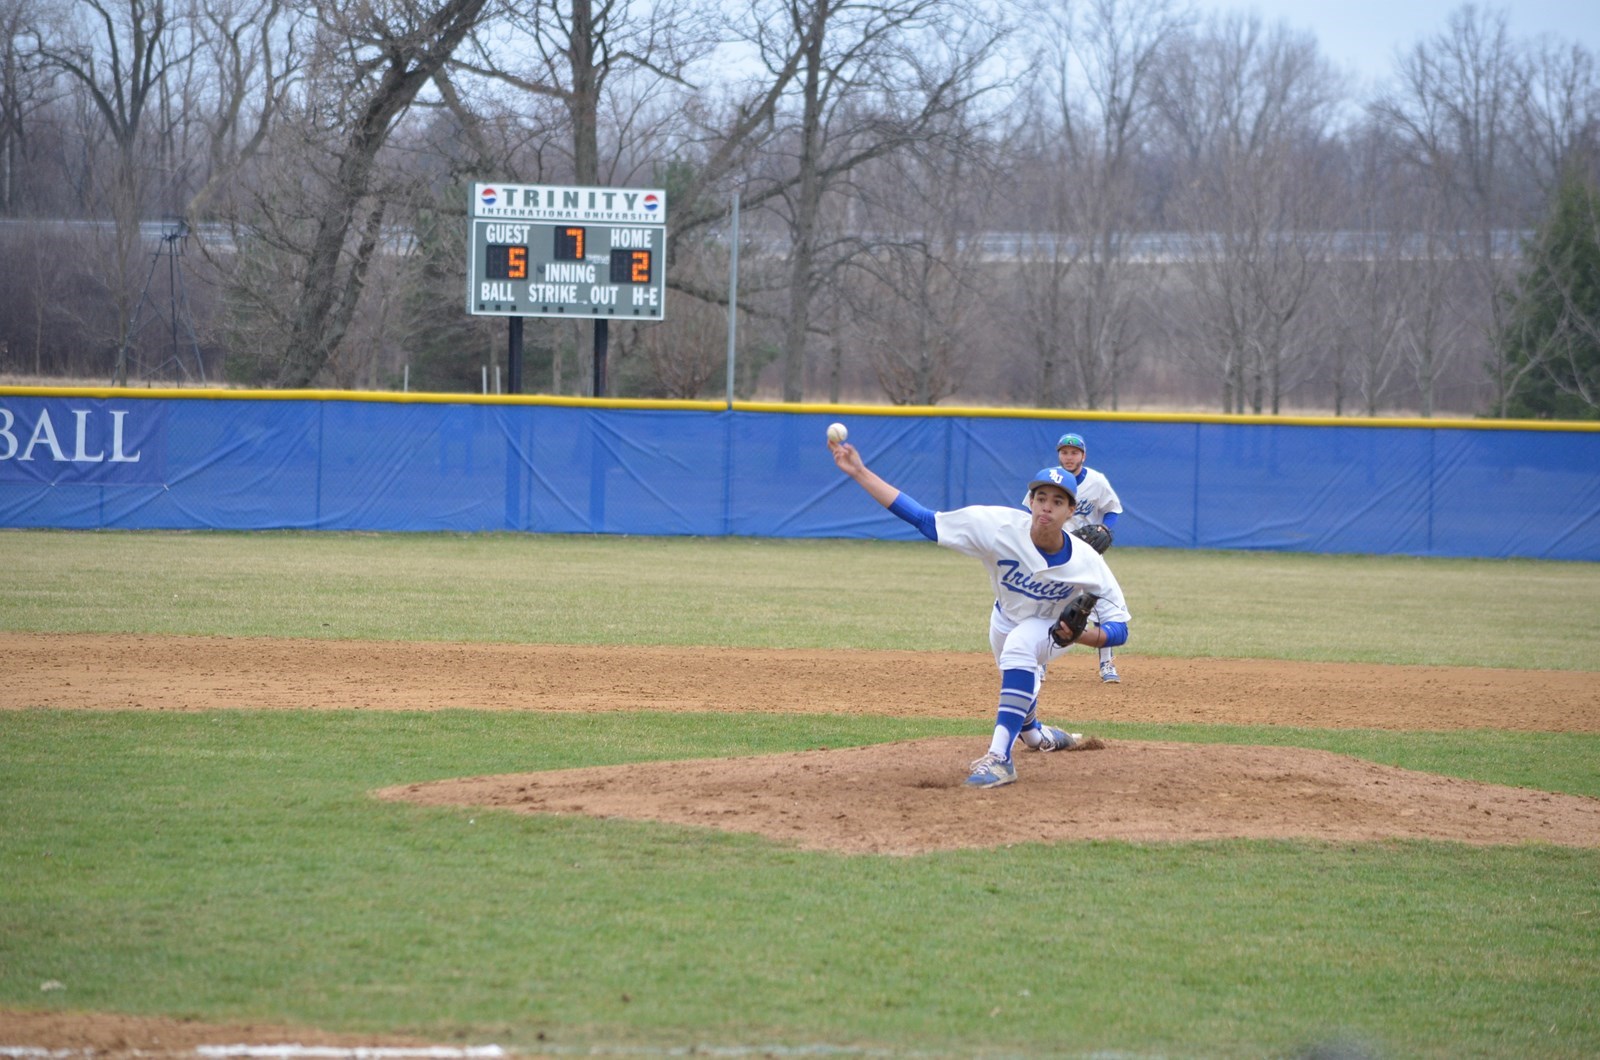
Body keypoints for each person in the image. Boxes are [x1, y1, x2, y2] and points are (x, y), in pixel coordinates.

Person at [829, 435, 1131, 789]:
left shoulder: (1087, 564)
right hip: (1003, 618)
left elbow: (1120, 628)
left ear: (1070, 512)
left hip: (1051, 630)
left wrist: (1082, 635)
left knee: (1022, 647)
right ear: (1030, 503)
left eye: (1058, 501)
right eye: (1041, 498)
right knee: (1018, 678)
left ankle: (999, 758)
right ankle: (1036, 734)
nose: (1047, 506)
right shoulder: (998, 528)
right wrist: (861, 472)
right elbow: (925, 520)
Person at [1052, 432, 1125, 684]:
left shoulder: (1096, 481)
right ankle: (1038, 663)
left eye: (1074, 452)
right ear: (1058, 455)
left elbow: (1112, 509)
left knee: (1101, 607)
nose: (1068, 456)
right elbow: (1030, 513)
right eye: (1064, 452)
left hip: (1090, 556)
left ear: (1083, 455)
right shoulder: (1050, 480)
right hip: (1057, 554)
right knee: (1047, 606)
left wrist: (1105, 529)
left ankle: (1107, 664)